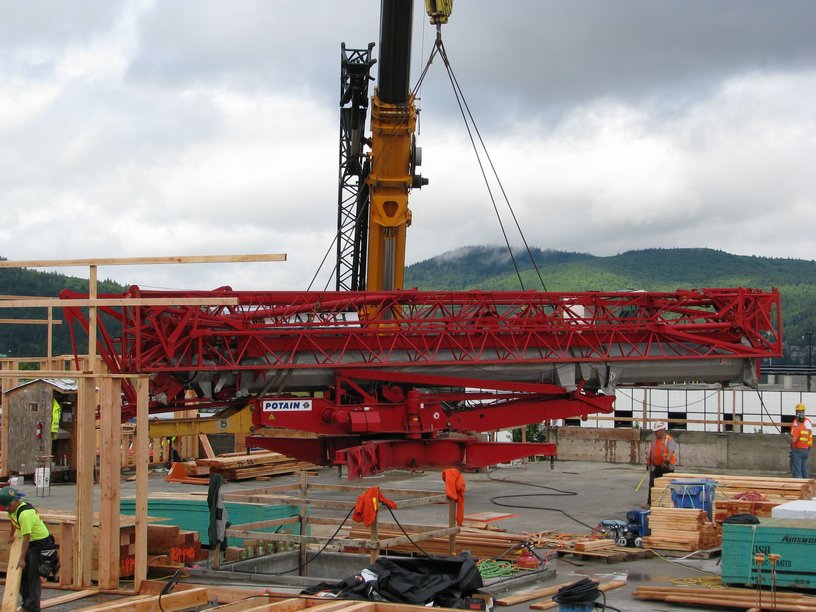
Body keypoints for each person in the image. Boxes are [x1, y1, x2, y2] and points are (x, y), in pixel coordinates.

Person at [0, 486, 56, 612]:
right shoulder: (12, 510)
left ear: (15, 500)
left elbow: (26, 538)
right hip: (29, 543)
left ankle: (33, 608)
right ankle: (26, 605)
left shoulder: (25, 514)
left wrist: (21, 559)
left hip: (39, 544)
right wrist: (10, 535)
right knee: (22, 577)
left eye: (8, 505)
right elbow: (13, 521)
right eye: (5, 507)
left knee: (33, 577)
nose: (7, 509)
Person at [644, 422, 678, 508]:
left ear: (662, 430)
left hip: (666, 467)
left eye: (657, 431)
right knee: (652, 484)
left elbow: (671, 451)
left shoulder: (669, 440)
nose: (655, 433)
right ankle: (650, 503)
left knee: (667, 485)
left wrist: (666, 461)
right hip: (655, 466)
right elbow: (651, 452)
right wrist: (648, 462)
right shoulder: (654, 440)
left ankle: (668, 503)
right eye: (655, 431)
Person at [789, 403, 813, 478]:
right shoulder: (796, 422)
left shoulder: (806, 422)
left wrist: (793, 439)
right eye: (798, 411)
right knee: (803, 467)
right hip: (803, 448)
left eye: (801, 411)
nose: (799, 413)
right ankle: (805, 482)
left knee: (796, 467)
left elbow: (796, 438)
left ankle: (798, 483)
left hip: (800, 447)